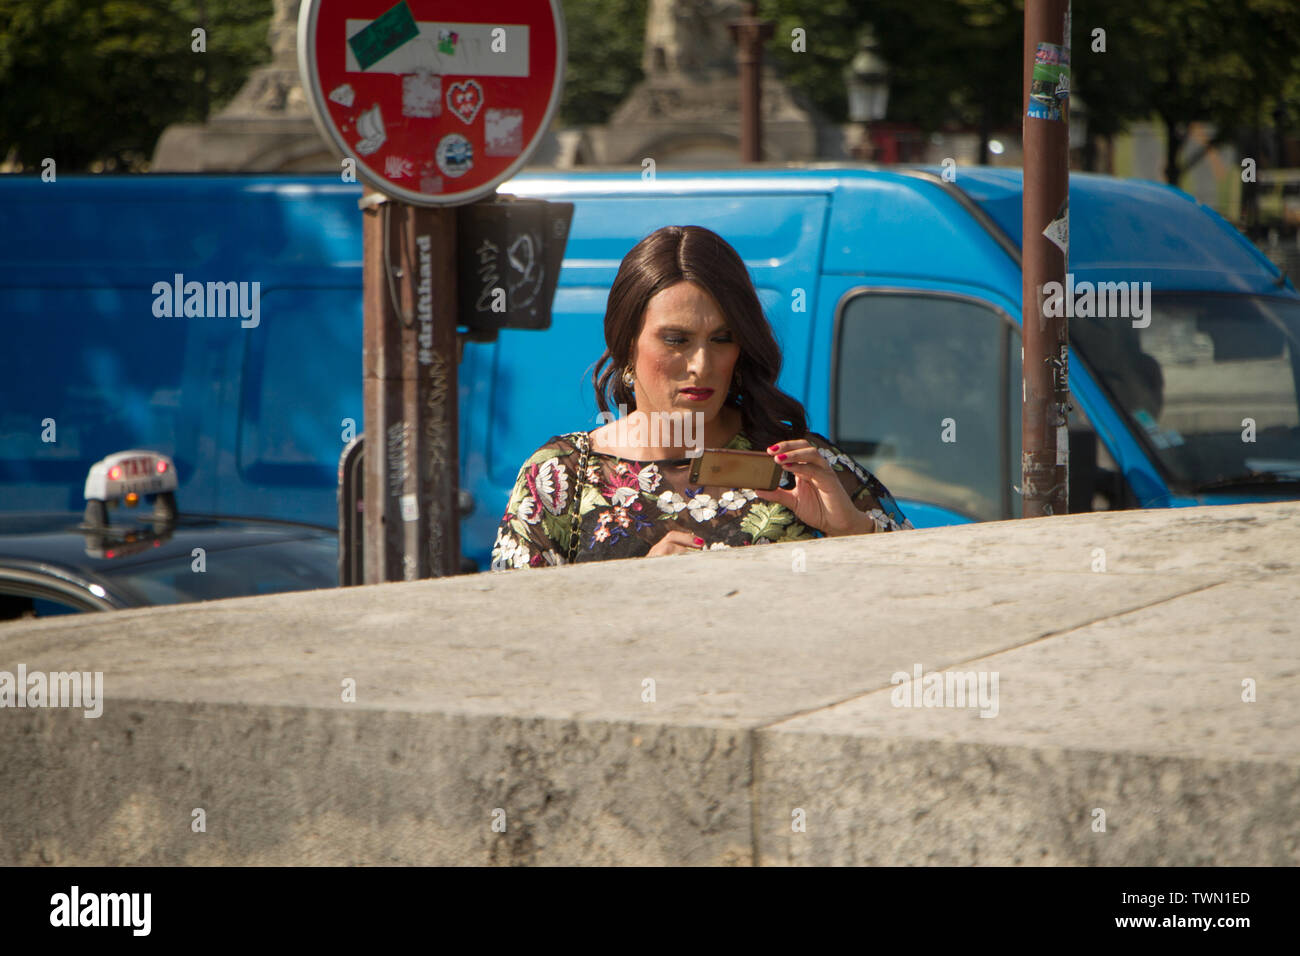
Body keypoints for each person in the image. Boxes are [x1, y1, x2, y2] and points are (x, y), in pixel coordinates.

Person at [489, 225, 913, 570]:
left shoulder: (803, 468)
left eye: (722, 339)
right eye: (676, 339)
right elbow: (515, 641)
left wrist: (852, 531)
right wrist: (629, 592)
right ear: (626, 347)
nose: (701, 364)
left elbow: (934, 592)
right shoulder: (561, 478)